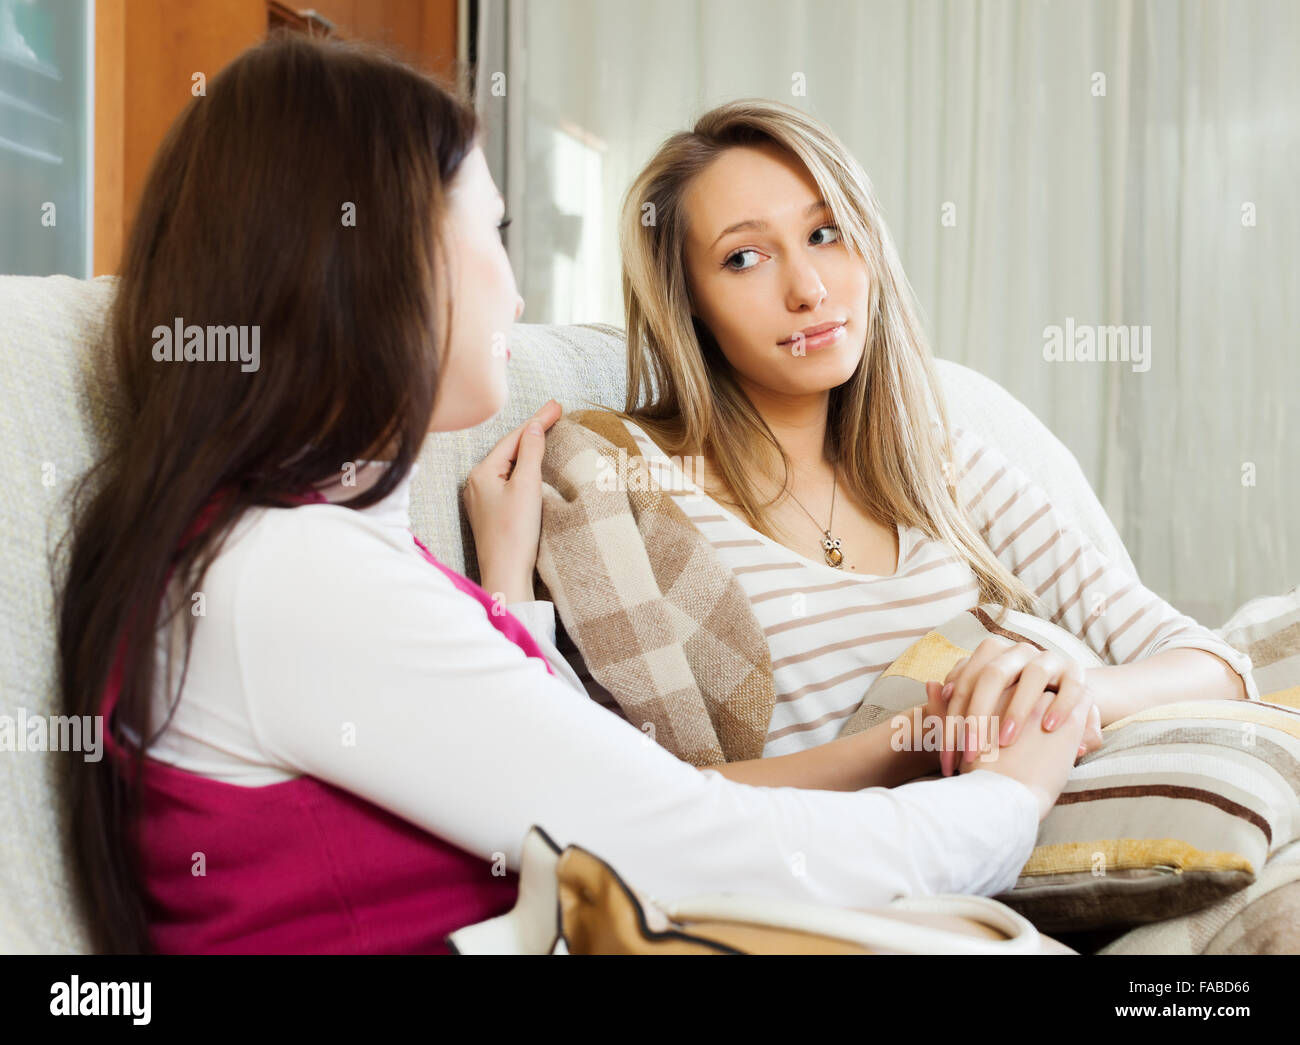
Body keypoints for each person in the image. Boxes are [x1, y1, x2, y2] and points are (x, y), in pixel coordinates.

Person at [56, 33, 1088, 956]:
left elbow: (540, 772)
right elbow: (696, 846)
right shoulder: (286, 576)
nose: (516, 292)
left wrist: (502, 594)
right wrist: (1008, 796)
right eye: (493, 236)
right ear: (381, 264)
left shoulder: (296, 551)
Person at [537, 97, 1256, 786]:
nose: (809, 289)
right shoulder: (624, 479)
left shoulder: (943, 467)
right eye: (745, 258)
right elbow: (637, 796)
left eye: (826, 233)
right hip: (846, 887)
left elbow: (1214, 664)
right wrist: (916, 740)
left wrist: (1060, 693)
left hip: (1024, 844)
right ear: (684, 296)